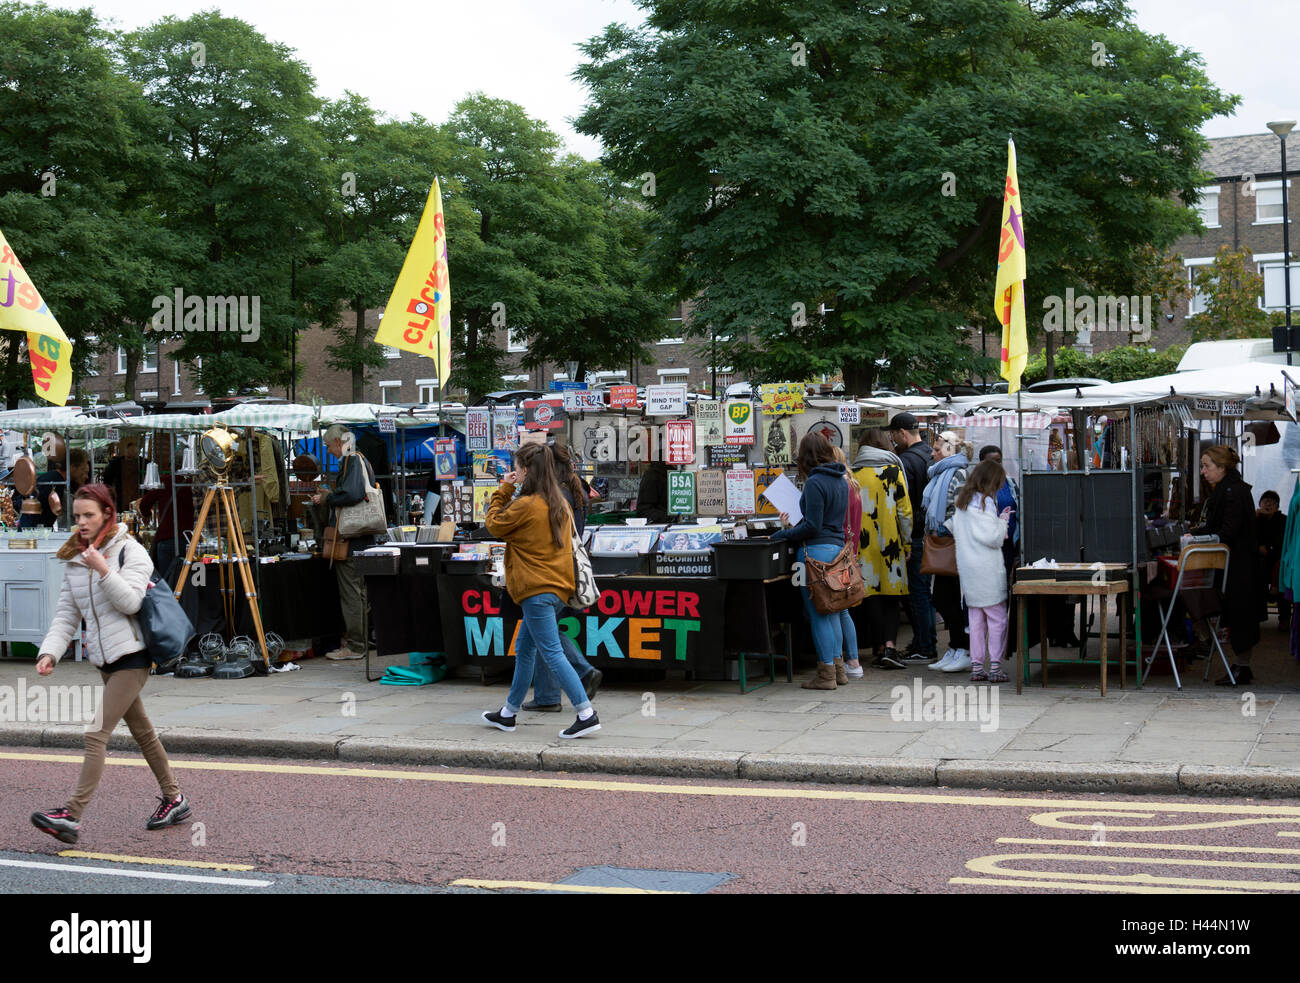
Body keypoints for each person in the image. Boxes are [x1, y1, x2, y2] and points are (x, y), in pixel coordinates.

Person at [29, 484, 190, 845]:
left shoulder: (129, 551)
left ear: (107, 513)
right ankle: (175, 798)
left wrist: (102, 568)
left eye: (89, 515)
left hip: (132, 656)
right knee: (143, 732)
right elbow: (66, 615)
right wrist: (50, 652)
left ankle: (71, 815)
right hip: (103, 659)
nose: (82, 523)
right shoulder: (74, 556)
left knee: (95, 734)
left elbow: (132, 602)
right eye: (78, 516)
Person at [482, 442, 601, 738]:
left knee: (552, 654)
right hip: (558, 589)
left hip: (536, 591)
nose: (514, 472)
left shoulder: (526, 504)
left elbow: (493, 524)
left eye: (517, 467)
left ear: (526, 470)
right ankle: (508, 713)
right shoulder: (557, 501)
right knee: (524, 649)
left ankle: (586, 713)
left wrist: (503, 489)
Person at [525, 441, 603, 711]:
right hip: (570, 570)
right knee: (543, 631)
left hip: (553, 570)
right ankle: (547, 696)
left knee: (544, 631)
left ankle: (581, 672)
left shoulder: (556, 494)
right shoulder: (577, 486)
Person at [772, 431, 850, 690]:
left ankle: (826, 673)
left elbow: (812, 526)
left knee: (819, 614)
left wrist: (783, 533)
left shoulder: (816, 482)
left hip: (815, 555)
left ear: (806, 456)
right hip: (836, 552)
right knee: (834, 611)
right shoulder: (840, 479)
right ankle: (838, 669)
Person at [1193, 445, 1260, 685]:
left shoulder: (1232, 492)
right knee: (1238, 616)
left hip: (1240, 567)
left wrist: (1198, 539)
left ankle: (1242, 667)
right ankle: (1242, 665)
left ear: (1222, 468)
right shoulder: (1230, 489)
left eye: (1207, 466)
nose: (1203, 471)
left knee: (1240, 616)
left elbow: (1227, 532)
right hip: (1237, 565)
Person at [311, 425, 379, 661]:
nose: (329, 451)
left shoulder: (351, 461)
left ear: (339, 442)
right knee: (359, 594)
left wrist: (328, 497)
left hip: (351, 540)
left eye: (329, 446)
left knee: (351, 594)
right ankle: (361, 641)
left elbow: (351, 494)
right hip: (362, 540)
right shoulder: (361, 460)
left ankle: (356, 645)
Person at [852, 429, 913, 670]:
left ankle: (878, 646)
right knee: (890, 596)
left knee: (870, 596)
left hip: (861, 546)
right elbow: (904, 512)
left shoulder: (853, 473)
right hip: (890, 544)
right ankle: (889, 646)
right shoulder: (892, 471)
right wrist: (907, 543)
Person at [953, 460, 1015, 683]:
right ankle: (995, 667)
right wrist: (1003, 521)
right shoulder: (985, 502)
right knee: (997, 619)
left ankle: (977, 667)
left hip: (968, 570)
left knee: (976, 621)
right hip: (987, 570)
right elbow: (993, 537)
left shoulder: (962, 502)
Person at [888, 412, 936, 661]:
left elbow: (902, 503)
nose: (892, 439)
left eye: (893, 434)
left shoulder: (904, 461)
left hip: (914, 533)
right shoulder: (931, 453)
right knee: (924, 593)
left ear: (902, 433)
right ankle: (926, 642)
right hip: (930, 532)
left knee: (916, 593)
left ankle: (924, 646)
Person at [922, 430, 971, 672]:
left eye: (937, 449)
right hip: (942, 543)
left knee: (944, 598)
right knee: (944, 598)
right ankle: (955, 647)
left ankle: (962, 649)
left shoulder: (958, 473)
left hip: (952, 545)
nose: (932, 453)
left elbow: (963, 510)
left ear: (950, 450)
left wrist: (942, 530)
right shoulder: (941, 474)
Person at [831, 446, 864, 675]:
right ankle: (852, 661)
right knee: (844, 609)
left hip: (837, 551)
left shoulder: (839, 485)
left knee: (838, 609)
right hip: (850, 550)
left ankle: (849, 661)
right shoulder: (853, 484)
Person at [1256, 489, 1290, 629]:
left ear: (1278, 506)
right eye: (1265, 501)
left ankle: (1284, 619)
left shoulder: (1283, 520)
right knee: (1256, 576)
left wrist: (1268, 547)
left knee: (1282, 574)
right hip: (1260, 561)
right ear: (1260, 503)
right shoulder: (1256, 519)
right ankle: (1257, 617)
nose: (1268, 504)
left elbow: (1283, 541)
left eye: (1272, 502)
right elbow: (1249, 537)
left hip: (1277, 559)